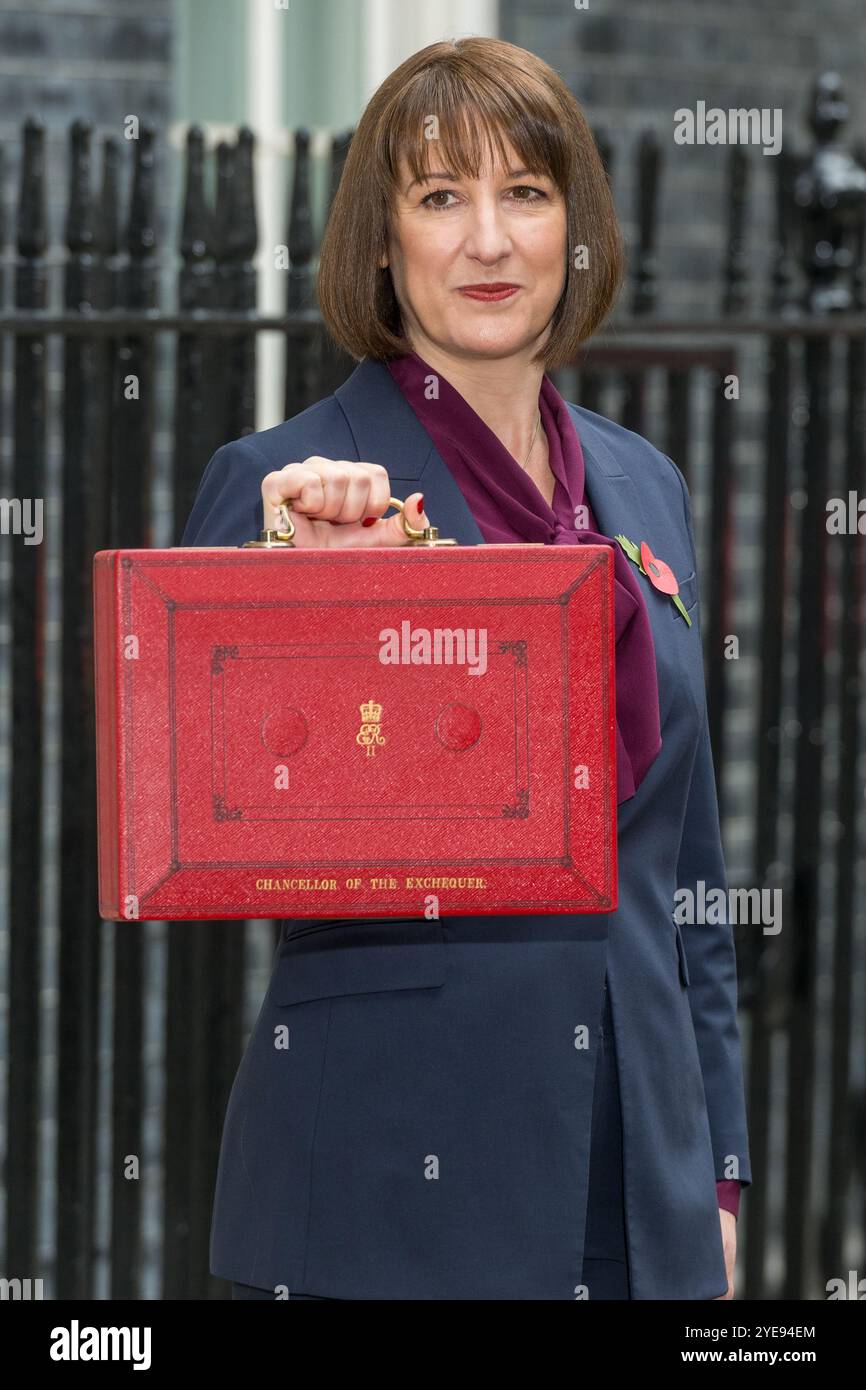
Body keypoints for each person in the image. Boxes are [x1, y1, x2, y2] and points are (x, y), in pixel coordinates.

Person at [181, 36, 751, 1301]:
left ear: (575, 229)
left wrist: (714, 1172)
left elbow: (687, 875)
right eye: (440, 197)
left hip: (633, 1182)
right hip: (387, 1187)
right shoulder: (287, 482)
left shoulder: (644, 482)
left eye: (525, 194)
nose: (487, 240)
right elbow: (204, 846)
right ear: (381, 244)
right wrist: (306, 602)